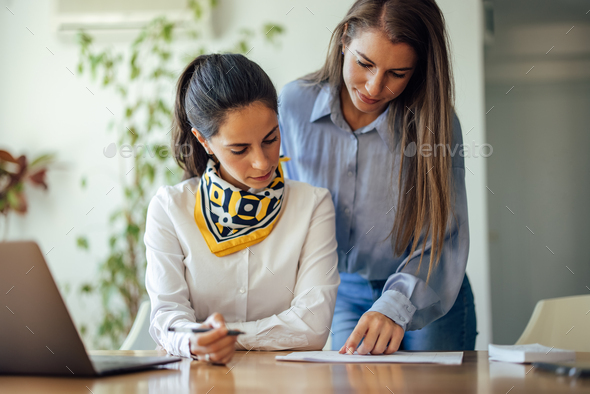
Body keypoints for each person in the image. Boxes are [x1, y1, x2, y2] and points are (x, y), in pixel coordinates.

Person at [279, 0, 477, 355]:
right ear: (343, 40)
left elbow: (445, 236)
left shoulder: (437, 124)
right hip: (343, 293)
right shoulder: (293, 104)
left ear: (417, 70)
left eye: (397, 74)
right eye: (364, 63)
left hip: (425, 294)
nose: (373, 87)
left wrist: (395, 304)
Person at [144, 53, 340, 364]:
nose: (263, 161)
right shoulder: (170, 208)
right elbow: (166, 316)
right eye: (239, 149)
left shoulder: (313, 205)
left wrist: (206, 339)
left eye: (270, 138)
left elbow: (314, 327)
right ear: (204, 141)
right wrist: (189, 339)